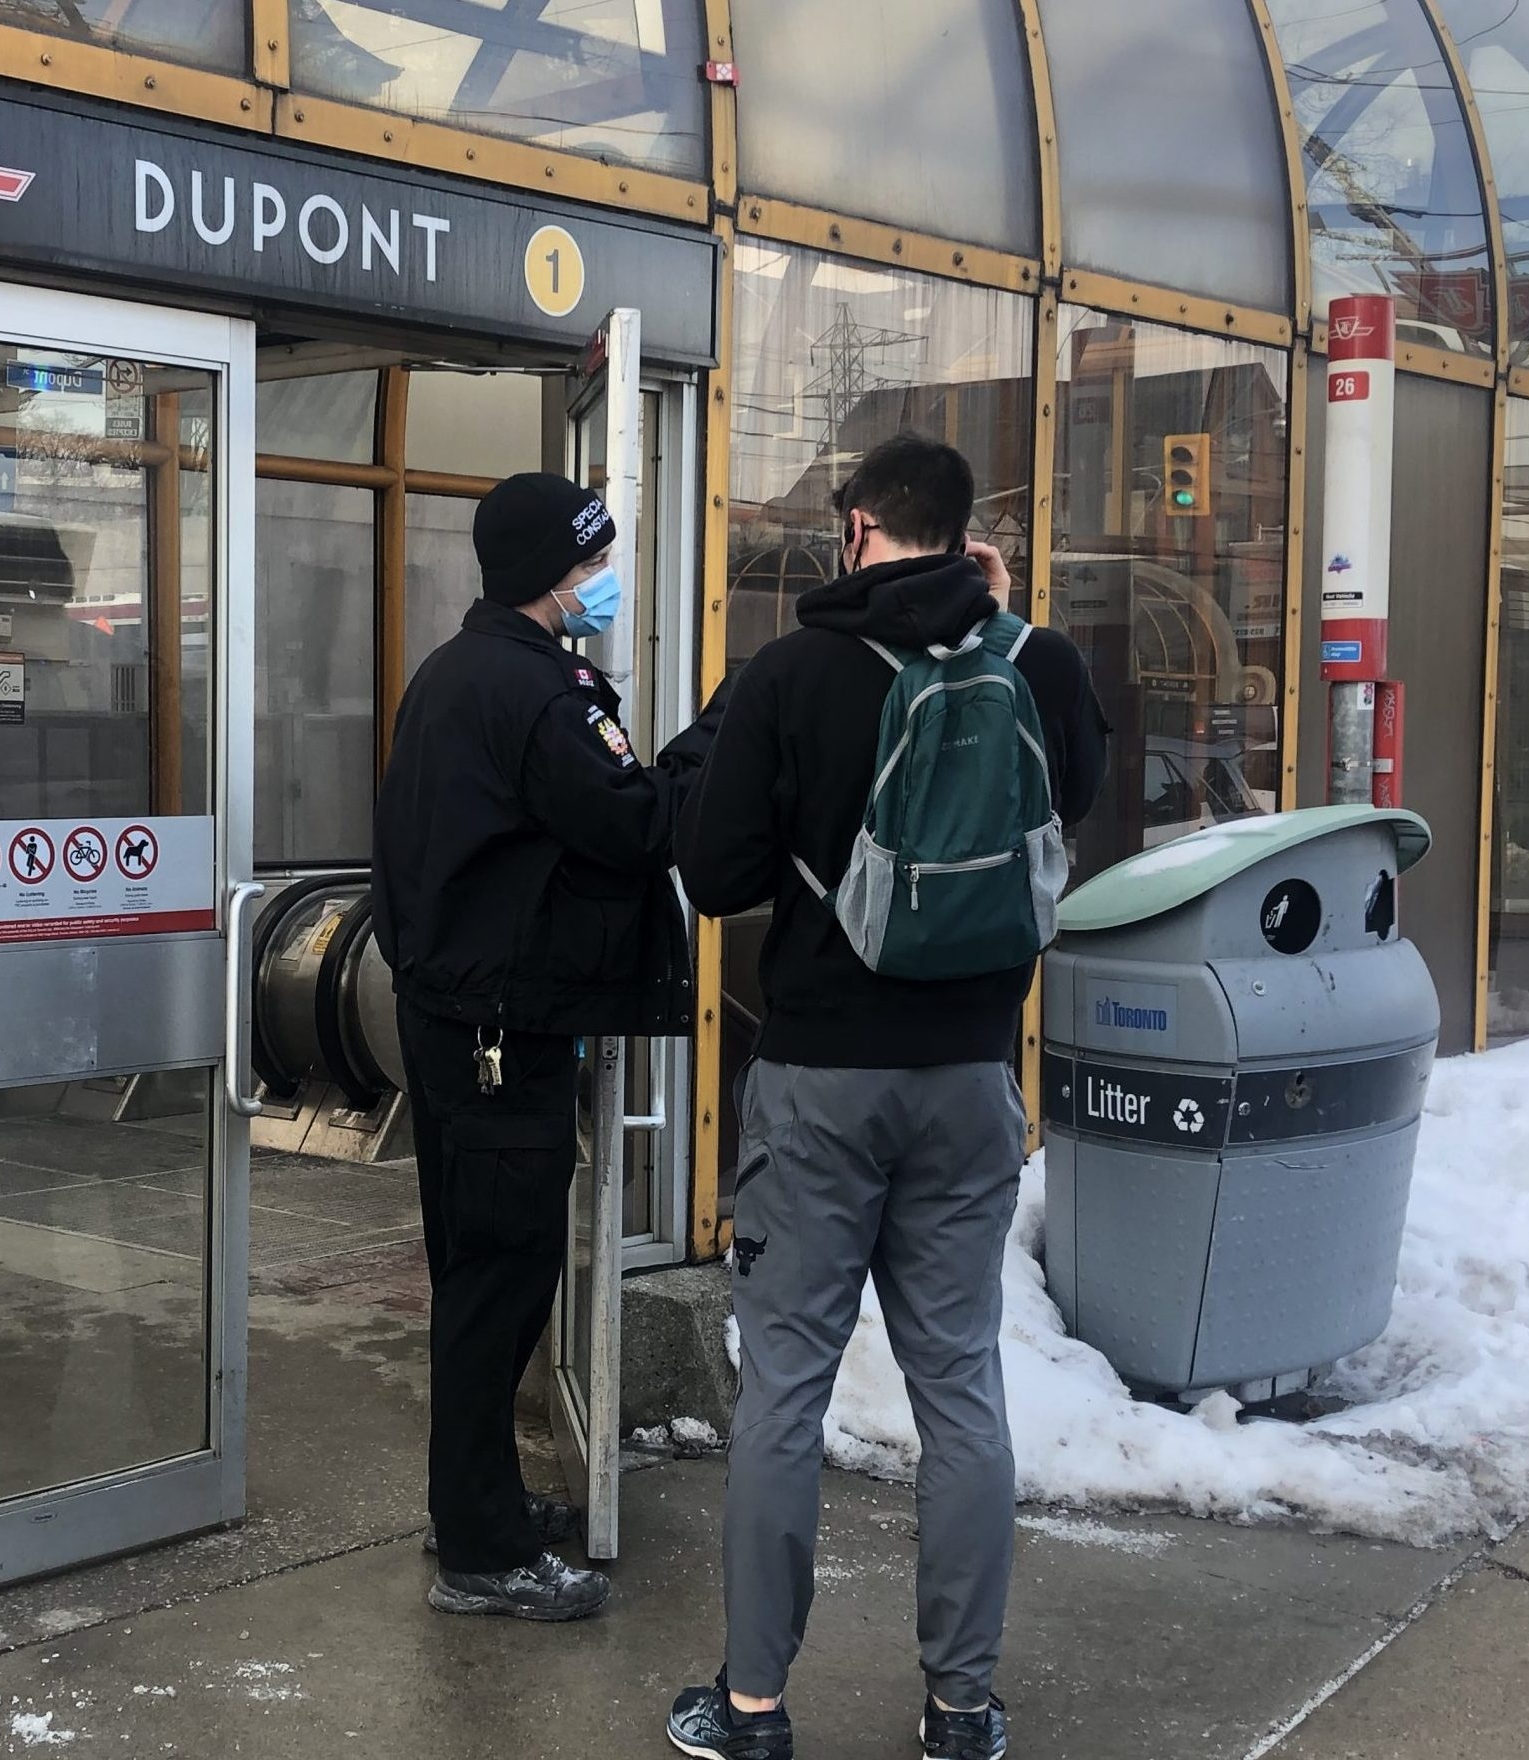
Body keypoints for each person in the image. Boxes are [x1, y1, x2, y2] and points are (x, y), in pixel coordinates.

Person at [665, 436, 1107, 1760]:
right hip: (972, 1075)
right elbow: (1066, 802)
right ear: (966, 537)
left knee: (785, 1390)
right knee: (960, 1387)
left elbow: (718, 870)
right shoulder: (1038, 664)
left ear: (856, 528)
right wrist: (1008, 613)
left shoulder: (794, 671)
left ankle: (750, 1708)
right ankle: (960, 1709)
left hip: (818, 1082)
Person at [372, 471, 725, 1622]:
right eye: (589, 565)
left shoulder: (451, 673)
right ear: (548, 574)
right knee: (498, 1277)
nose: (599, 583)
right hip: (493, 1028)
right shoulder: (538, 690)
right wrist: (719, 735)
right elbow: (633, 821)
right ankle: (478, 1548)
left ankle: (479, 1501)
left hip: (456, 1013)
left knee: (487, 1269)